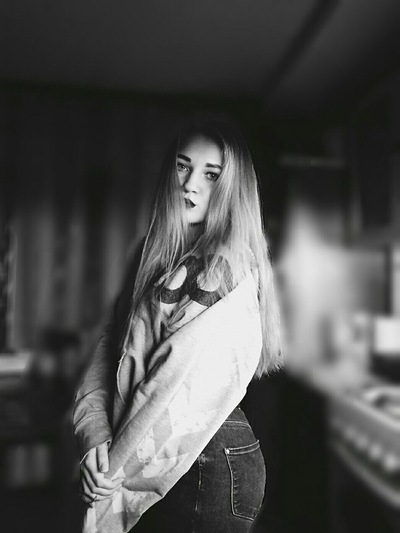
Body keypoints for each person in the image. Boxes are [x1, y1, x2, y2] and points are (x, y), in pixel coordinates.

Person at [73, 117, 282, 533]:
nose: (190, 184)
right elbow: (111, 346)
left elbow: (171, 389)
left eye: (211, 174)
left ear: (232, 187)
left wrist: (112, 476)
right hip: (149, 445)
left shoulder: (226, 267)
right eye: (183, 166)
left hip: (207, 460)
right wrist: (94, 435)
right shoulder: (152, 254)